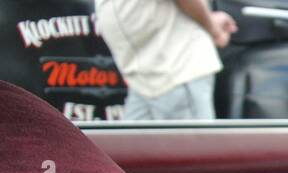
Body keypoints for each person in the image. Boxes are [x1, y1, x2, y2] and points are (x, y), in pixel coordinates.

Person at [95, 0, 236, 120]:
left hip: (177, 71)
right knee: (128, 143)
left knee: (190, 144)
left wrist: (213, 29)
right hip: (143, 80)